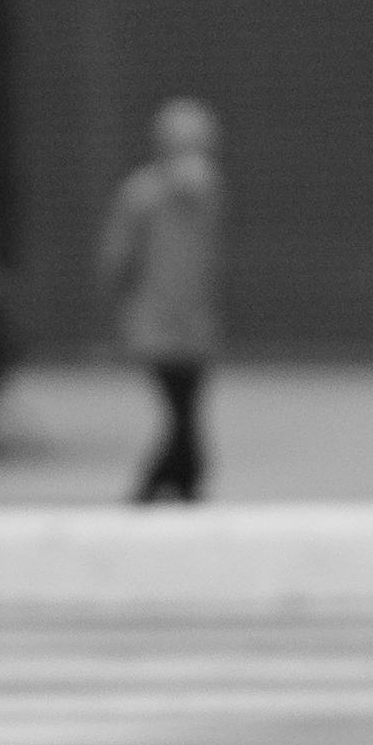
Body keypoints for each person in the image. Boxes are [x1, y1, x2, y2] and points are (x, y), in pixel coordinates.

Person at [98, 98, 224, 503]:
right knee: (182, 415)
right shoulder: (143, 194)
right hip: (155, 324)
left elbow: (205, 263)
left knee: (186, 413)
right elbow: (118, 257)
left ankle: (172, 489)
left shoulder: (208, 193)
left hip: (194, 327)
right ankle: (158, 489)